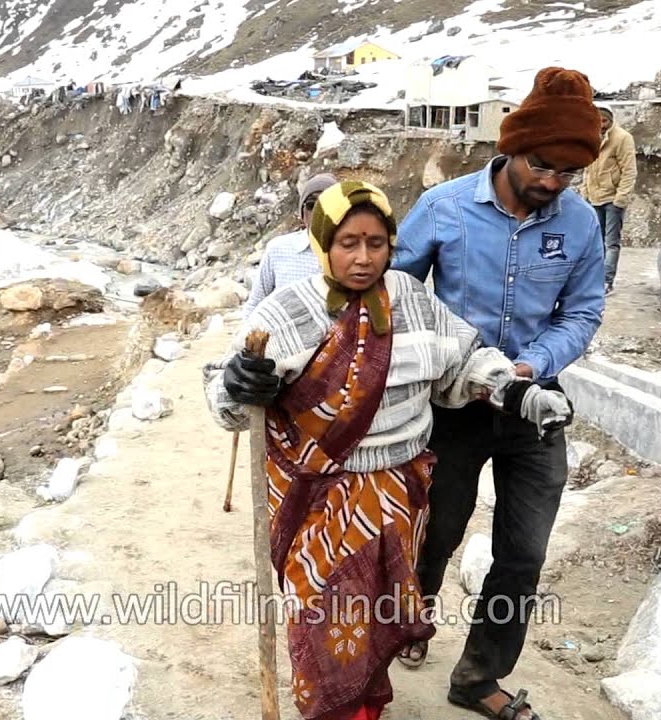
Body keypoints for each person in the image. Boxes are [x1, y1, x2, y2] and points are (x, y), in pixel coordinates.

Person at [202, 181, 574, 720]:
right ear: (323, 243)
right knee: (325, 614)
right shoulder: (289, 311)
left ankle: (366, 706)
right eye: (348, 243)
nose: (363, 258)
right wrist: (238, 384)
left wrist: (519, 394)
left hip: (398, 494)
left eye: (375, 243)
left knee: (377, 612)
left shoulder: (412, 299)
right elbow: (229, 404)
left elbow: (463, 362)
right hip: (320, 498)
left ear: (391, 245)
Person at [390, 66, 607, 719]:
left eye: (569, 172)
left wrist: (532, 365)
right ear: (511, 147)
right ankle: (412, 620)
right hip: (451, 407)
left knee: (524, 551)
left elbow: (583, 311)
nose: (552, 182)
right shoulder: (445, 207)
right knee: (436, 531)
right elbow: (395, 293)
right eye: (542, 165)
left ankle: (479, 675)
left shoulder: (580, 224)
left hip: (534, 406)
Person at [241, 172, 339, 317]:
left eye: (328, 204)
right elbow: (255, 305)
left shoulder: (352, 254)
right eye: (311, 205)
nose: (319, 211)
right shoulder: (278, 249)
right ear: (302, 213)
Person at [580, 103, 638, 295]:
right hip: (594, 197)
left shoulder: (622, 138)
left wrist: (620, 198)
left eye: (604, 120)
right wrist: (585, 193)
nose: (601, 124)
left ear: (611, 120)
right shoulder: (591, 137)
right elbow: (588, 168)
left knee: (611, 243)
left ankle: (607, 281)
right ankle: (595, 279)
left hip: (612, 199)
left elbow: (629, 171)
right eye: (597, 120)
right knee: (595, 242)